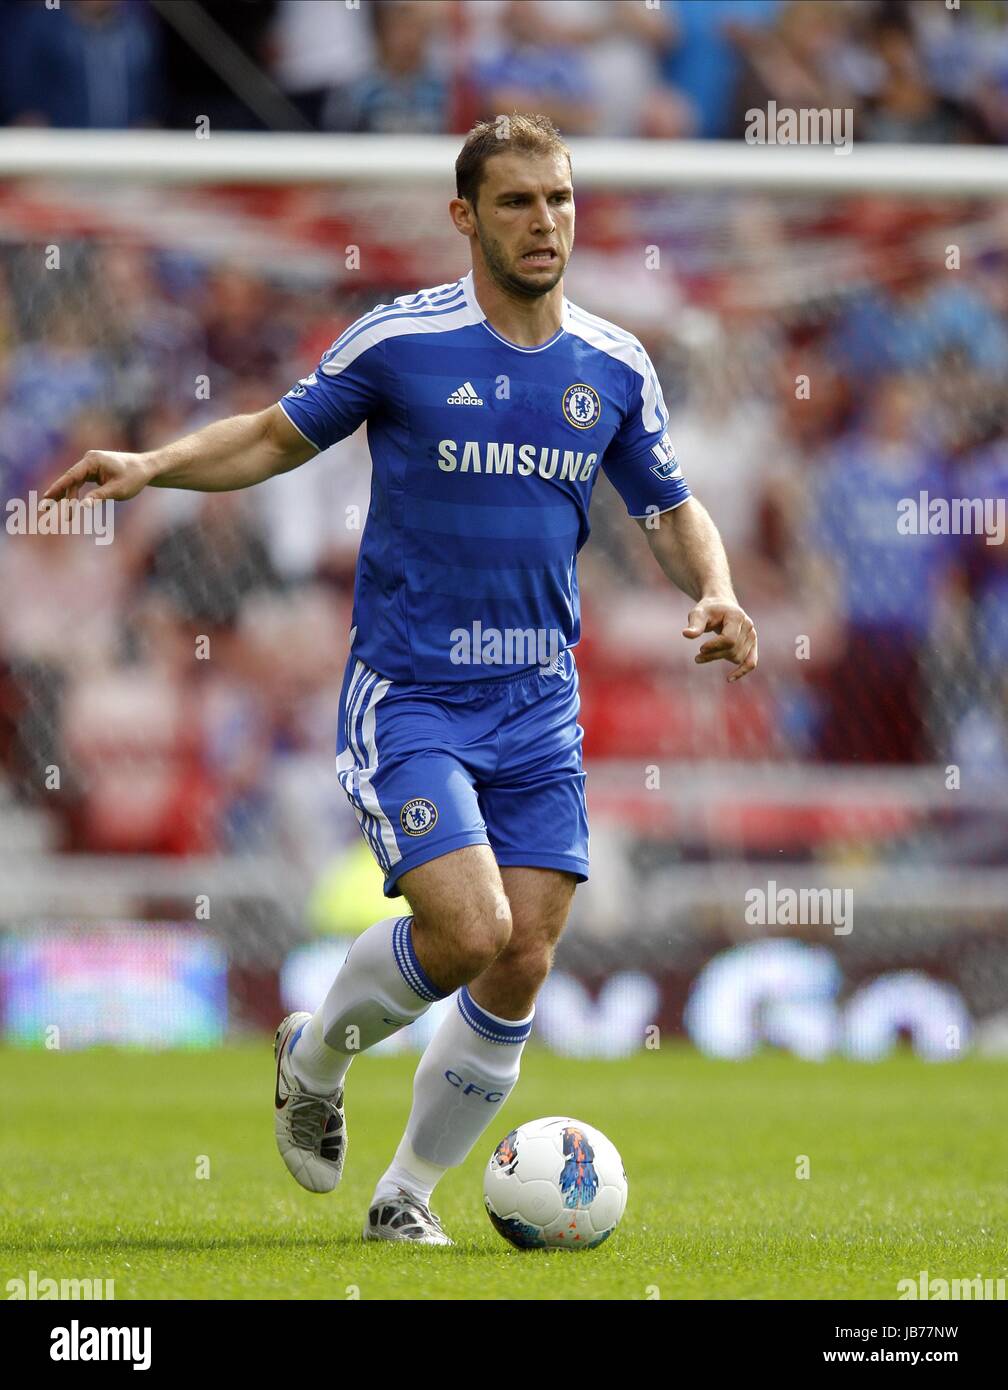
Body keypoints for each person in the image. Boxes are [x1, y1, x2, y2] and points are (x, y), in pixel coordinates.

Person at [43, 113, 757, 1245]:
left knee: (524, 953)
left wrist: (712, 588)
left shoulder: (615, 365)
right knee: (468, 930)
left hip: (540, 704)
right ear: (465, 216)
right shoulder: (401, 342)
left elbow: (666, 507)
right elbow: (276, 437)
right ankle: (314, 1052)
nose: (545, 222)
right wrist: (154, 466)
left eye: (561, 199)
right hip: (414, 693)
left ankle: (404, 1197)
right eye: (519, 201)